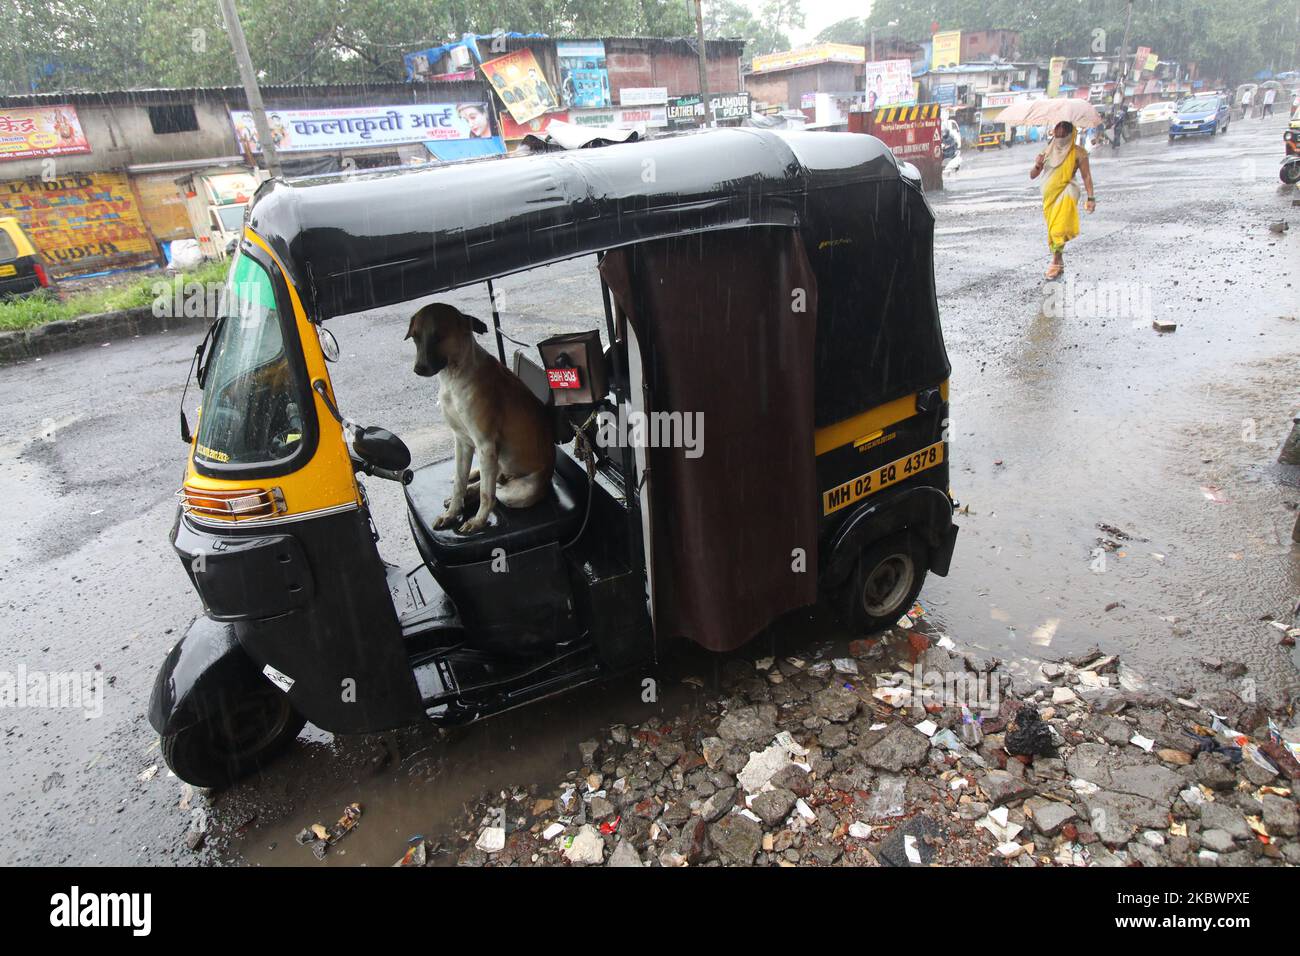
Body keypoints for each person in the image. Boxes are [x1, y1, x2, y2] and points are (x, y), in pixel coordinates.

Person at [1029, 120, 1095, 280]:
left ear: (1069, 133)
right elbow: (1032, 175)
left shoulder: (1079, 153)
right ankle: (1059, 260)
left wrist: (1091, 197)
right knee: (1053, 231)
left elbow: (1086, 176)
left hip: (1067, 192)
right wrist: (1038, 165)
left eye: (1061, 129)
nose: (1057, 131)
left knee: (1058, 229)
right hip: (1049, 197)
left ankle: (1055, 262)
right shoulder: (1047, 152)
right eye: (1056, 128)